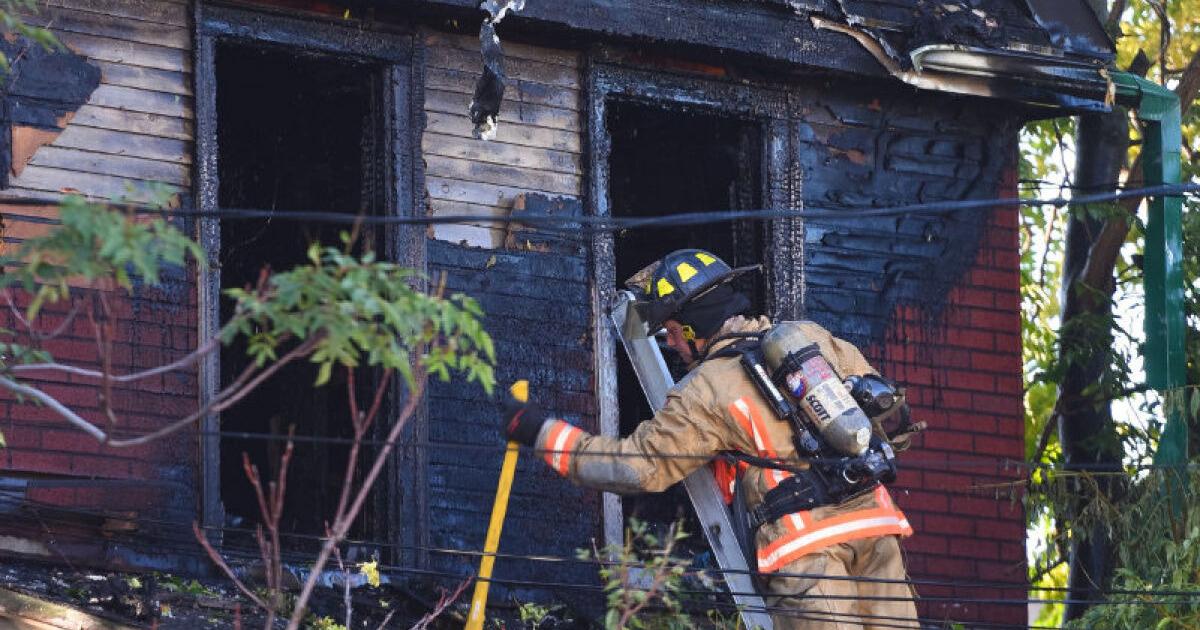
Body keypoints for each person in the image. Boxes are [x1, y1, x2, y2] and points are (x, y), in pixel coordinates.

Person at [503, 249, 922, 629]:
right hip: (877, 528)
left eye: (670, 332)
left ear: (689, 327)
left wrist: (541, 432)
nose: (671, 344)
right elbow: (893, 423)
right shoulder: (812, 338)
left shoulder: (706, 388)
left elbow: (638, 468)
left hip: (807, 553)